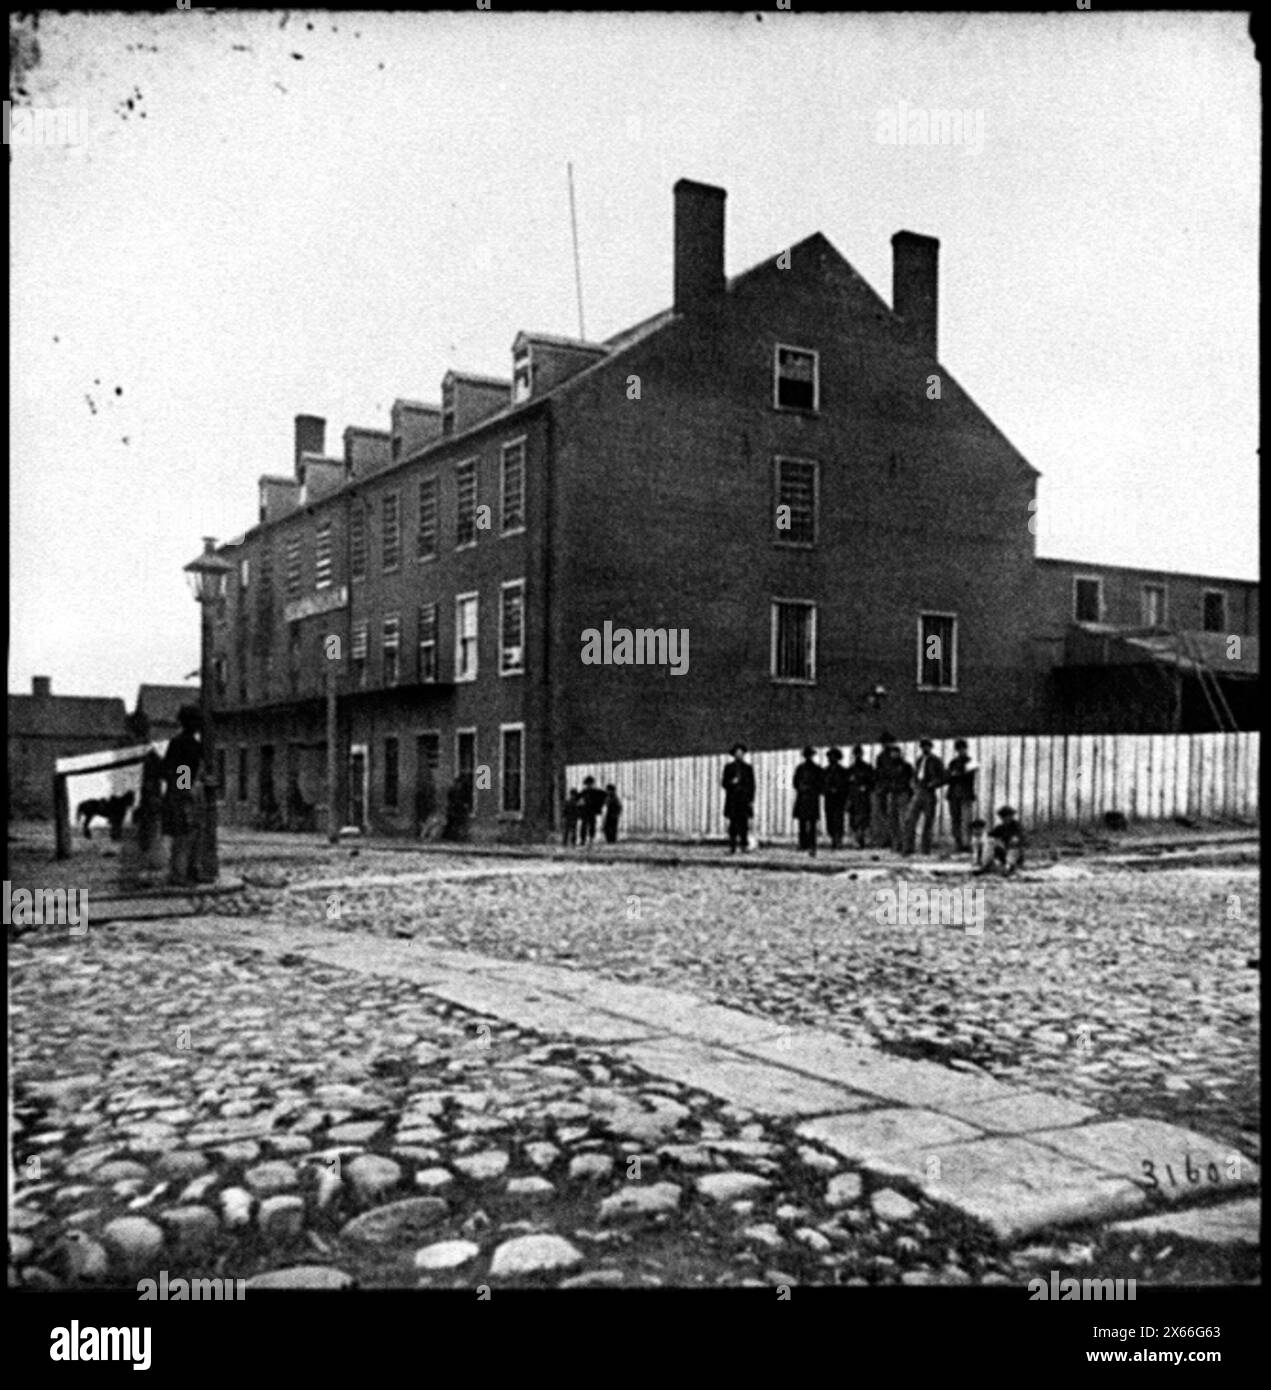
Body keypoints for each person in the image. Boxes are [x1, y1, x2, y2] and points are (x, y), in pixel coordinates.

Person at [160, 704, 204, 886]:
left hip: (176, 793)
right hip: (180, 795)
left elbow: (167, 768)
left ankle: (185, 871)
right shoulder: (186, 743)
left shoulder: (178, 742)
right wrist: (185, 789)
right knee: (184, 836)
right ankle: (179, 875)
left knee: (186, 835)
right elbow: (182, 769)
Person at [902, 738, 947, 856]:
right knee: (910, 820)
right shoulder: (919, 760)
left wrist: (932, 784)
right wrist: (913, 785)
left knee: (928, 821)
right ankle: (908, 847)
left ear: (930, 747)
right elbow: (914, 775)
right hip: (918, 791)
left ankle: (925, 849)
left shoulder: (936, 761)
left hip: (929, 792)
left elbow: (943, 778)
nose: (924, 749)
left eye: (926, 746)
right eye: (922, 747)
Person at [873, 739, 913, 850]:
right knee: (892, 820)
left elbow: (908, 780)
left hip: (902, 794)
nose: (894, 755)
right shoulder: (887, 767)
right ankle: (896, 843)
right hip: (891, 794)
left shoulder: (906, 766)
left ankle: (906, 844)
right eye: (892, 753)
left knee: (904, 820)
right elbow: (883, 778)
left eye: (896, 753)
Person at [945, 739, 978, 853]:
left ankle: (967, 843)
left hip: (966, 795)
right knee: (955, 820)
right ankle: (958, 843)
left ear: (966, 749)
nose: (961, 751)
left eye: (963, 749)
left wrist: (956, 775)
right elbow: (948, 777)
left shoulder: (971, 761)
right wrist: (956, 775)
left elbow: (968, 776)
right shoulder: (952, 762)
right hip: (953, 795)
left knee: (966, 820)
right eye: (959, 749)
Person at [722, 743, 755, 854]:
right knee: (733, 825)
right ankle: (732, 846)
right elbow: (724, 783)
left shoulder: (748, 768)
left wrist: (751, 800)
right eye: (737, 753)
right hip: (732, 800)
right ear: (734, 755)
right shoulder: (728, 767)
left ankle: (744, 846)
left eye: (741, 753)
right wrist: (732, 782)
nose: (739, 755)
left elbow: (752, 785)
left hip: (744, 800)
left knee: (744, 824)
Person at [975, 805, 1026, 876]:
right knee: (990, 841)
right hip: (1004, 854)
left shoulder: (1017, 826)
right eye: (1003, 816)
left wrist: (1016, 838)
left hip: (1016, 855)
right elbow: (989, 835)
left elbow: (1021, 837)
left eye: (1007, 816)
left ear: (1011, 816)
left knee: (1014, 845)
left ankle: (1009, 867)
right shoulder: (1000, 828)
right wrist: (982, 834)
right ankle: (985, 866)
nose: (1005, 818)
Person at [792, 746, 823, 856]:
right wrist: (801, 788)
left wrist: (812, 789)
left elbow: (820, 784)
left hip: (812, 798)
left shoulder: (817, 769)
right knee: (802, 822)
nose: (808, 757)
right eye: (807, 755)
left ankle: (812, 844)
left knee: (812, 823)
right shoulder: (800, 769)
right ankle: (803, 843)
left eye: (810, 755)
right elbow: (795, 783)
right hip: (802, 798)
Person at [845, 745, 874, 849]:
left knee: (863, 820)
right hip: (853, 798)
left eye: (859, 753)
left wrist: (865, 787)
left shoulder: (867, 768)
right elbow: (847, 785)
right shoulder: (850, 770)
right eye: (856, 754)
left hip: (863, 798)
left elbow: (872, 782)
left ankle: (861, 839)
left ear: (862, 754)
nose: (857, 756)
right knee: (853, 820)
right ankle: (856, 840)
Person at [821, 747, 849, 849]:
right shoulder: (825, 771)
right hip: (829, 798)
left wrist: (839, 790)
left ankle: (838, 840)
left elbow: (846, 785)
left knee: (839, 819)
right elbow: (821, 785)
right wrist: (828, 790)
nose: (832, 759)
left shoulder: (843, 771)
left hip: (839, 799)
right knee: (830, 819)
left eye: (834, 757)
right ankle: (833, 838)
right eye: (830, 757)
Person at [579, 776, 606, 845]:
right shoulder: (584, 792)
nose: (588, 785)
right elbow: (577, 798)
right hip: (585, 811)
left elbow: (604, 795)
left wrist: (599, 806)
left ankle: (591, 839)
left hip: (592, 811)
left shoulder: (596, 791)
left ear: (592, 784)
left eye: (590, 784)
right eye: (587, 784)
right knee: (584, 826)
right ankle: (583, 839)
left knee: (592, 825)